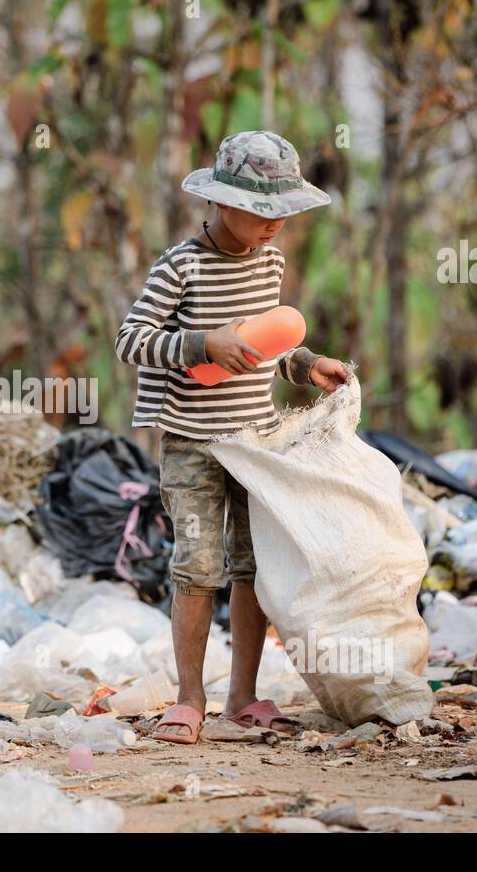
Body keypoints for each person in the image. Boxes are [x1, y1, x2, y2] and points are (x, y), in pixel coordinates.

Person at [113, 130, 351, 744]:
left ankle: (242, 696)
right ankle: (189, 699)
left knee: (252, 567)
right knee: (197, 566)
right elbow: (130, 341)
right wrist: (200, 343)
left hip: (255, 444)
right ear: (220, 202)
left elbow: (267, 345)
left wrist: (307, 365)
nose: (274, 224)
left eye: (283, 211)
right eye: (260, 210)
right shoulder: (181, 265)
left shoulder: (270, 263)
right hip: (192, 443)